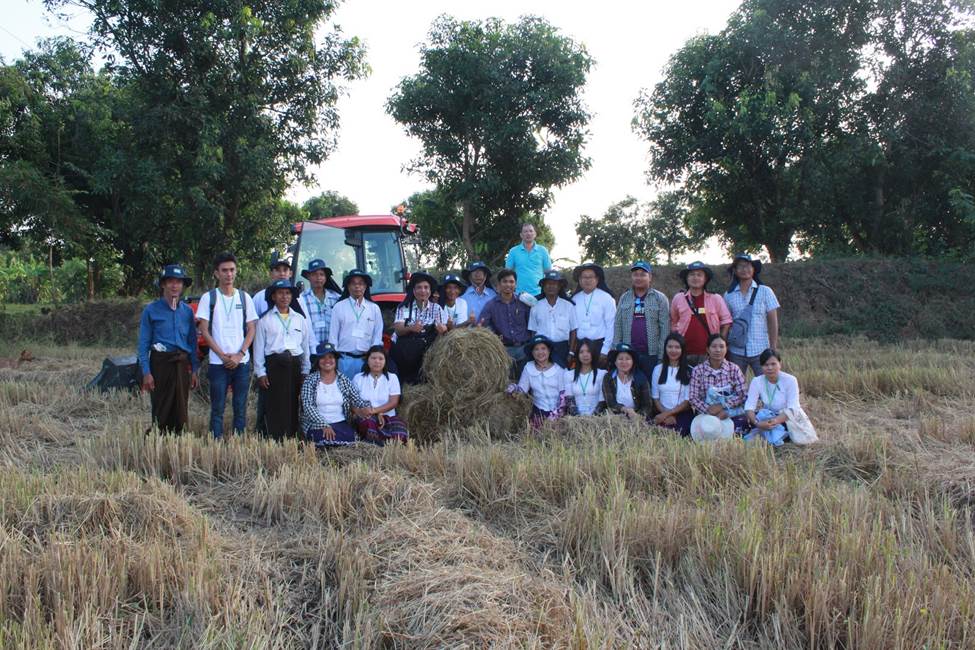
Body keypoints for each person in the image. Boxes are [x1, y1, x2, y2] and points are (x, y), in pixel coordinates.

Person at [195, 252, 257, 439]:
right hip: (217, 363)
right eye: (224, 271)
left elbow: (251, 328)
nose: (228, 274)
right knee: (217, 408)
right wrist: (222, 355)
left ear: (236, 272)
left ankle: (238, 443)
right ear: (216, 273)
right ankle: (216, 443)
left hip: (241, 363)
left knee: (240, 407)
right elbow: (204, 330)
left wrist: (240, 355)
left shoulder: (245, 298)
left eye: (232, 270)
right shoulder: (209, 297)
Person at [137, 264, 200, 434]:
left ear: (183, 286)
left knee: (180, 408)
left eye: (178, 282)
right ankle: (157, 442)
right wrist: (146, 372)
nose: (174, 286)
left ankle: (178, 443)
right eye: (170, 281)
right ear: (163, 284)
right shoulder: (151, 310)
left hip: (181, 364)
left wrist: (194, 369)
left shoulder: (187, 312)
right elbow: (143, 344)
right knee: (161, 408)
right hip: (160, 364)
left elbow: (193, 343)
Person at [254, 279, 312, 440]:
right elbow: (258, 348)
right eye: (280, 293)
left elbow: (305, 346)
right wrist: (260, 372)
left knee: (293, 401)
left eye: (288, 293)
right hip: (275, 365)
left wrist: (305, 371)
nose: (284, 297)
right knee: (275, 403)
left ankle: (292, 435)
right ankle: (275, 436)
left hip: (295, 364)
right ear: (273, 296)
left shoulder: (300, 319)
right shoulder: (265, 320)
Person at [300, 342, 372, 447]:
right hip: (316, 424)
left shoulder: (344, 380)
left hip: (340, 422)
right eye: (323, 357)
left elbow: (357, 400)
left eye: (331, 357)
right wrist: (324, 425)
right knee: (325, 441)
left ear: (335, 360)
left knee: (351, 441)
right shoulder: (310, 380)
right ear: (318, 361)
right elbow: (308, 406)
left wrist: (367, 408)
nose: (327, 361)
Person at [724, 254, 780, 377]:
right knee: (735, 388)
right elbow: (726, 322)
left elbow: (772, 320)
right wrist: (725, 346)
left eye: (748, 266)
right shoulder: (728, 295)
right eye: (741, 267)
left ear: (754, 269)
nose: (745, 269)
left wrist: (773, 347)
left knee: (767, 385)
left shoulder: (765, 291)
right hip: (736, 350)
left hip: (761, 349)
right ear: (735, 270)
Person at [612, 261, 669, 378]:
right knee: (630, 388)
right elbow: (618, 325)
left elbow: (665, 328)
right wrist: (616, 350)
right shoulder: (625, 298)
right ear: (631, 277)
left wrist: (661, 355)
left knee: (650, 389)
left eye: (643, 274)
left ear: (650, 277)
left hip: (651, 354)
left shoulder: (660, 298)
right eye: (635, 274)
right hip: (629, 354)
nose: (639, 277)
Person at [670, 261, 732, 366]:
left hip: (709, 354)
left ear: (705, 279)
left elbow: (726, 321)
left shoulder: (715, 298)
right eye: (692, 274)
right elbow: (673, 322)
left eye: (699, 275)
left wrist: (720, 343)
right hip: (683, 352)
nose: (695, 278)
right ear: (686, 278)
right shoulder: (678, 298)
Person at [391, 272, 447, 384]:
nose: (423, 291)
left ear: (430, 291)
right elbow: (398, 329)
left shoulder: (436, 309)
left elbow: (444, 329)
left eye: (426, 287)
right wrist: (411, 328)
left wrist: (443, 330)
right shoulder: (404, 307)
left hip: (425, 355)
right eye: (419, 287)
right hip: (403, 354)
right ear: (413, 290)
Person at [328, 269, 385, 379]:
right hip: (344, 360)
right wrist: (334, 359)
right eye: (353, 283)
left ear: (365, 287)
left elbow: (377, 335)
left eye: (361, 283)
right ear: (348, 286)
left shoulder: (374, 308)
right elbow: (333, 336)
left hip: (366, 360)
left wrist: (372, 358)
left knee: (364, 393)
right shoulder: (339, 307)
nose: (357, 286)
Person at [689, 333, 748, 434]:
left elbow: (742, 395)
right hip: (706, 416)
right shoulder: (698, 371)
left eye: (721, 346)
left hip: (729, 413)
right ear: (707, 349)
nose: (718, 350)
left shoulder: (734, 369)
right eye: (714, 346)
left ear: (726, 348)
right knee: (706, 433)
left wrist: (723, 406)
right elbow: (693, 398)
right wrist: (709, 410)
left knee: (739, 431)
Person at [478, 268, 532, 377]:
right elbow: (481, 326)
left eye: (511, 282)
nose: (508, 285)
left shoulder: (523, 302)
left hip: (524, 351)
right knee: (507, 387)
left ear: (515, 284)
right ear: (499, 285)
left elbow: (532, 323)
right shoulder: (491, 305)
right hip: (504, 352)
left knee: (526, 386)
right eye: (505, 281)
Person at [744, 348, 801, 447]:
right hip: (766, 416)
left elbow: (793, 408)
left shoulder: (791, 380)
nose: (770, 368)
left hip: (786, 417)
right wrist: (757, 423)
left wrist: (773, 422)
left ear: (780, 364)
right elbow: (749, 406)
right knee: (744, 423)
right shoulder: (757, 381)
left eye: (773, 364)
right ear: (761, 366)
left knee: (779, 430)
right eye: (766, 365)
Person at [352, 345, 409, 444]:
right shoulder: (358, 378)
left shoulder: (392, 378)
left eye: (380, 358)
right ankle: (378, 443)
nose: (377, 361)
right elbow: (352, 402)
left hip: (387, 417)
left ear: (385, 361)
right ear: (367, 360)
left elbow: (394, 402)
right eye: (373, 358)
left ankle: (383, 443)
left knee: (401, 433)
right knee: (368, 425)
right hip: (366, 416)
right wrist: (365, 413)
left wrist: (376, 411)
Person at [516, 334, 566, 429]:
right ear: (532, 352)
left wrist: (555, 416)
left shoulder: (558, 369)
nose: (540, 352)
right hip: (538, 413)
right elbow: (521, 391)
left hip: (560, 413)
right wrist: (514, 388)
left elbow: (563, 397)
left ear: (549, 351)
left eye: (543, 348)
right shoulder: (528, 367)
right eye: (536, 349)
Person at [528, 270, 577, 367]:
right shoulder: (536, 306)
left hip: (562, 348)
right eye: (548, 284)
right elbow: (533, 332)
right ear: (543, 287)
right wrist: (535, 351)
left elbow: (573, 331)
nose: (551, 286)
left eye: (554, 284)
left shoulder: (568, 306)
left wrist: (571, 352)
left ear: (559, 287)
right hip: (542, 348)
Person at [570, 263, 616, 364]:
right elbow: (573, 327)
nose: (587, 280)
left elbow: (611, 325)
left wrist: (605, 350)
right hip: (580, 347)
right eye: (584, 277)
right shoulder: (574, 299)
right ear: (579, 280)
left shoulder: (607, 298)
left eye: (590, 277)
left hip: (599, 346)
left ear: (597, 279)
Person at [651, 333, 693, 437]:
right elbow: (655, 398)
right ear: (665, 348)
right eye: (670, 347)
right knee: (655, 434)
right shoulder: (658, 369)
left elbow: (687, 401)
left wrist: (667, 414)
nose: (673, 350)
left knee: (676, 434)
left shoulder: (690, 370)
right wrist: (665, 414)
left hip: (682, 413)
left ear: (682, 349)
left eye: (677, 347)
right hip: (661, 411)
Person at [602, 343, 653, 422]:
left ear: (633, 361)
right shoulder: (608, 378)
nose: (624, 362)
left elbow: (647, 406)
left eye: (628, 359)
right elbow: (611, 403)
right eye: (620, 359)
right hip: (615, 418)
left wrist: (637, 417)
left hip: (637, 419)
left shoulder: (641, 378)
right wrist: (625, 410)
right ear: (615, 362)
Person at [299, 258, 342, 348]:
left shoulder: (336, 298)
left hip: (332, 349)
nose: (318, 278)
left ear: (326, 277)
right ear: (308, 277)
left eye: (321, 274)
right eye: (314, 274)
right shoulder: (301, 299)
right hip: (311, 348)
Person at [505, 223, 552, 296]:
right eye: (525, 231)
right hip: (519, 294)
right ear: (521, 235)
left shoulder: (543, 250)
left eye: (531, 231)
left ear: (535, 234)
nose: (528, 233)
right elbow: (507, 272)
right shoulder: (513, 251)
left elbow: (548, 272)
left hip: (539, 294)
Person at [564, 339, 607, 416]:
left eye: (588, 351)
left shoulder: (602, 374)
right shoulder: (568, 375)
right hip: (576, 420)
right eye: (581, 352)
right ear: (577, 354)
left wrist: (592, 420)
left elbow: (602, 402)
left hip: (597, 420)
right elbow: (569, 401)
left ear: (593, 353)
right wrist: (579, 420)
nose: (585, 355)